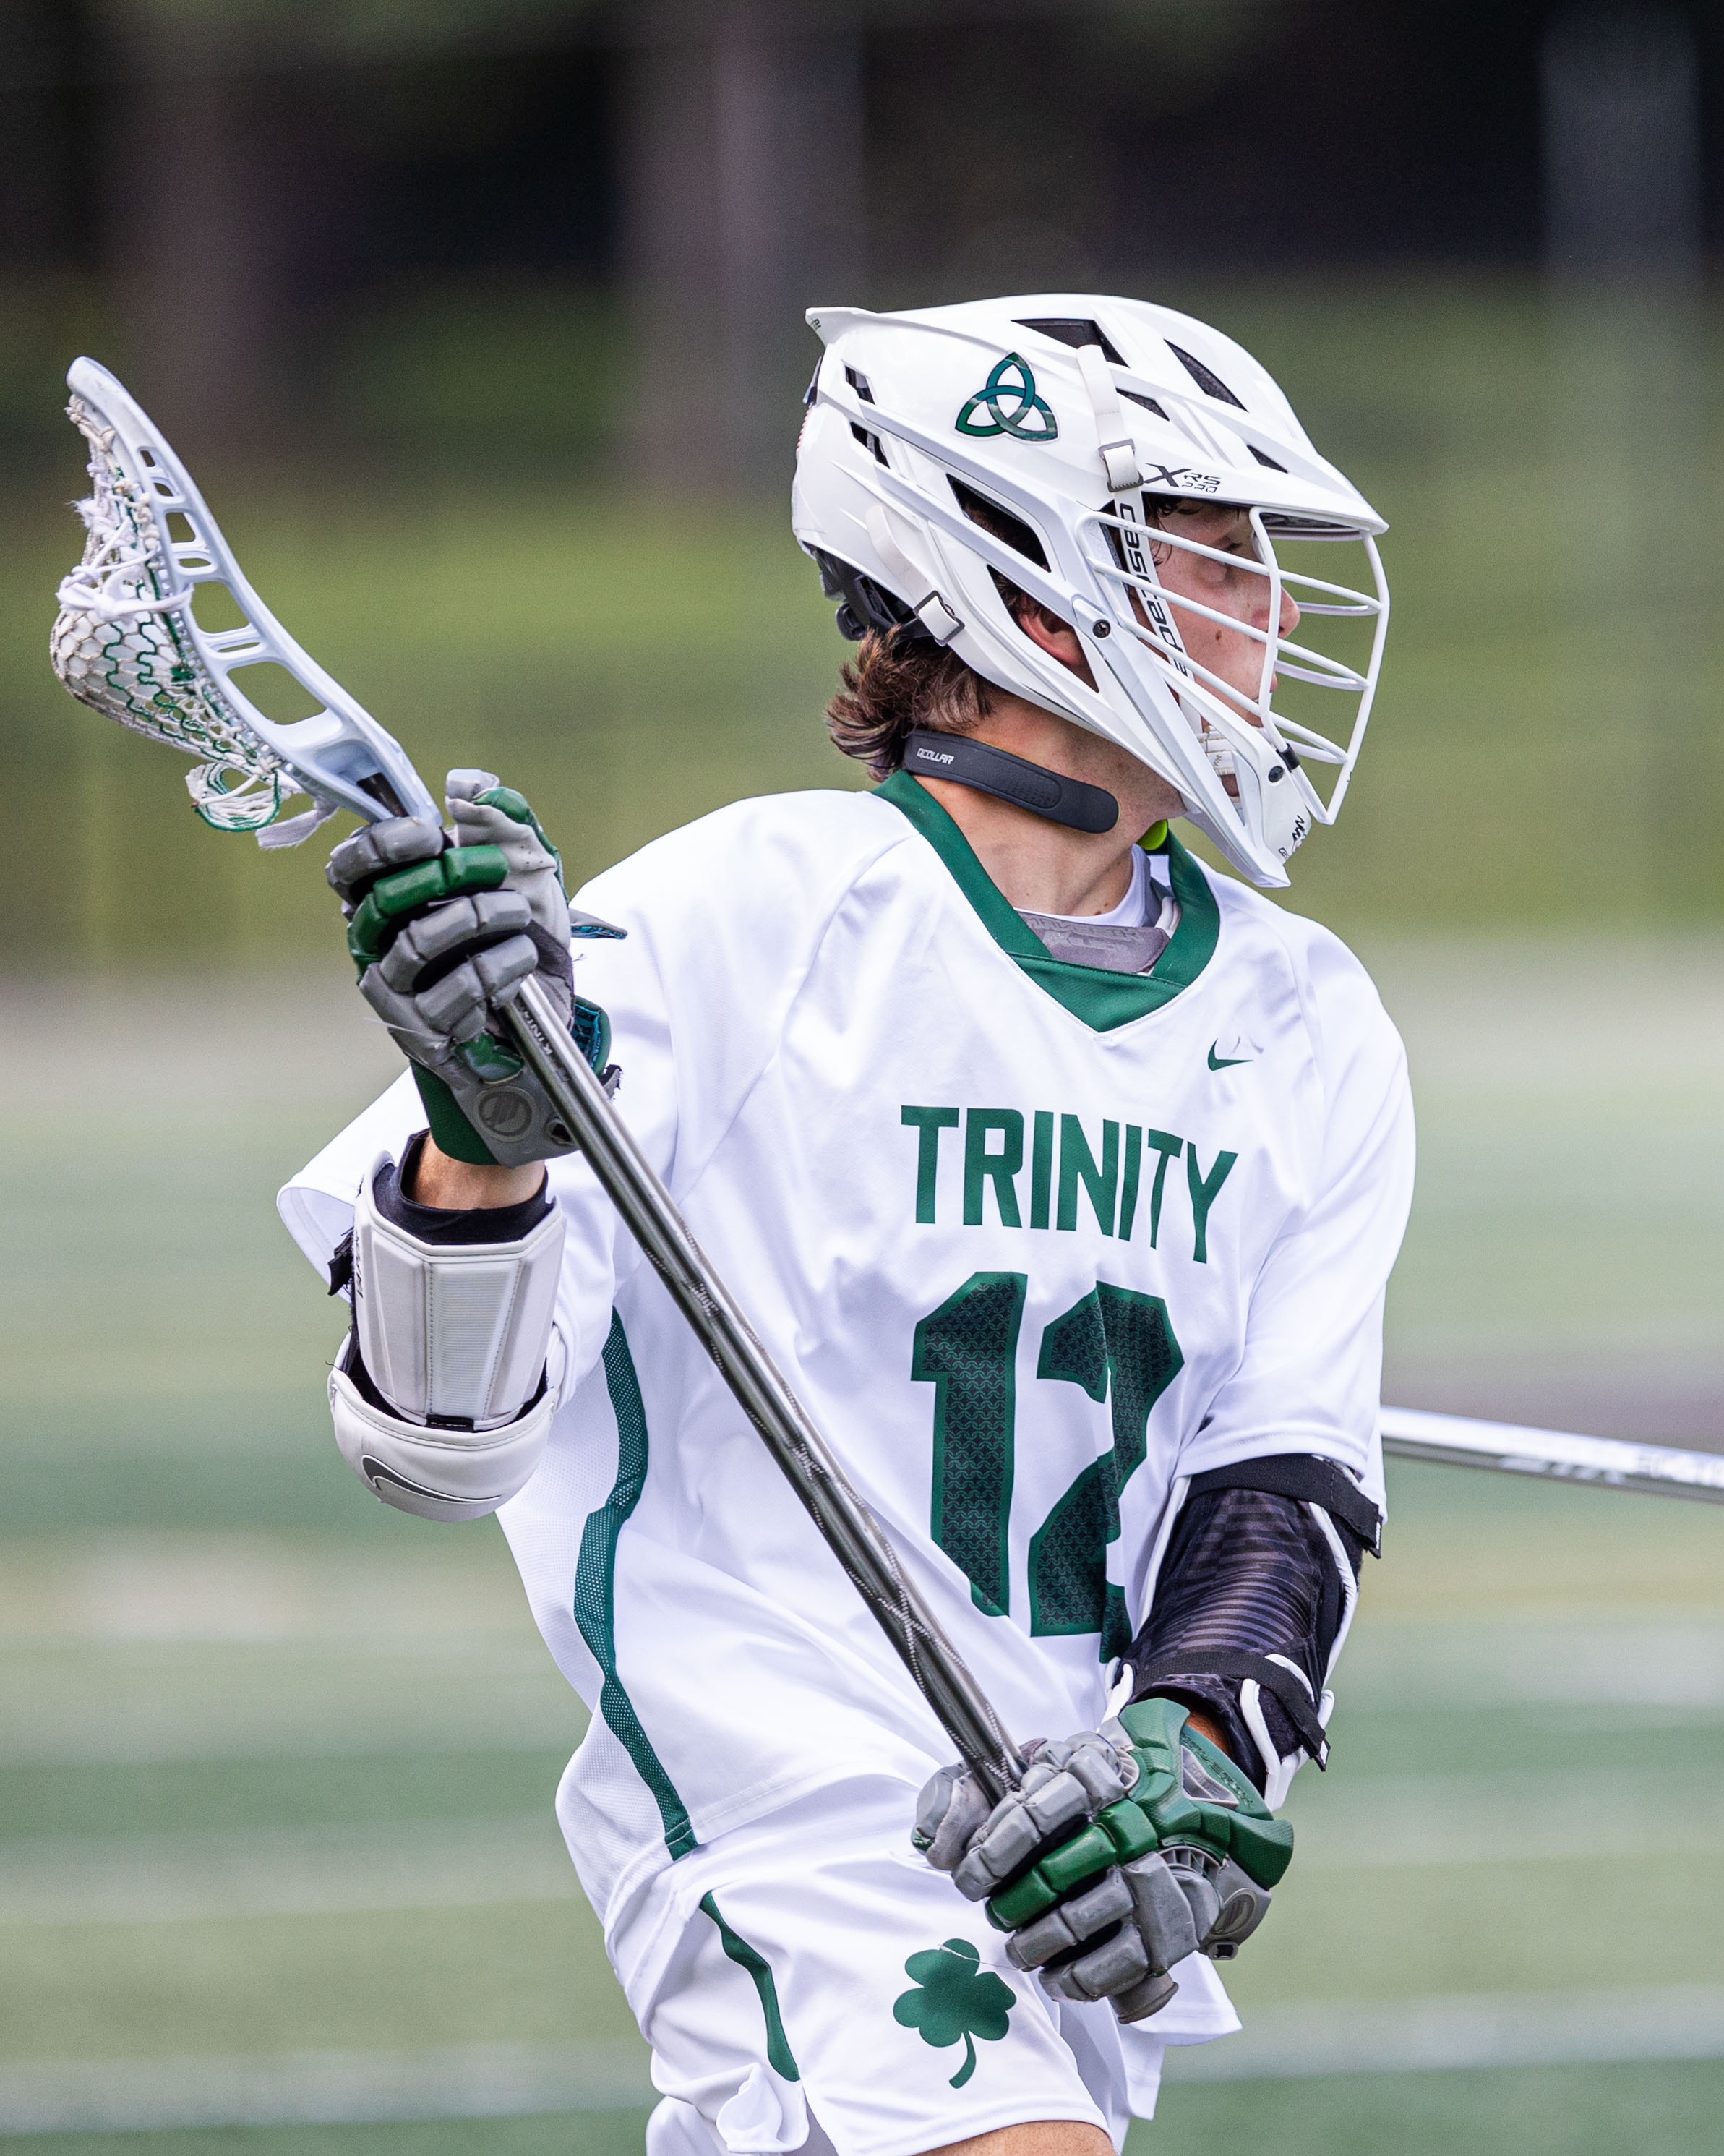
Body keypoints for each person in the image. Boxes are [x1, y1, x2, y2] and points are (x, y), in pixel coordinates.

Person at [274, 296, 1410, 2156]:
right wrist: (482, 1145)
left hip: (1050, 1831)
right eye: (1212, 559)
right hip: (789, 1808)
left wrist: (1189, 1770)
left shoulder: (1307, 1019)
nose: (1269, 618)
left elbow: (1278, 1487)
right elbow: (432, 1446)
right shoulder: (747, 916)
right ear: (1030, 587)